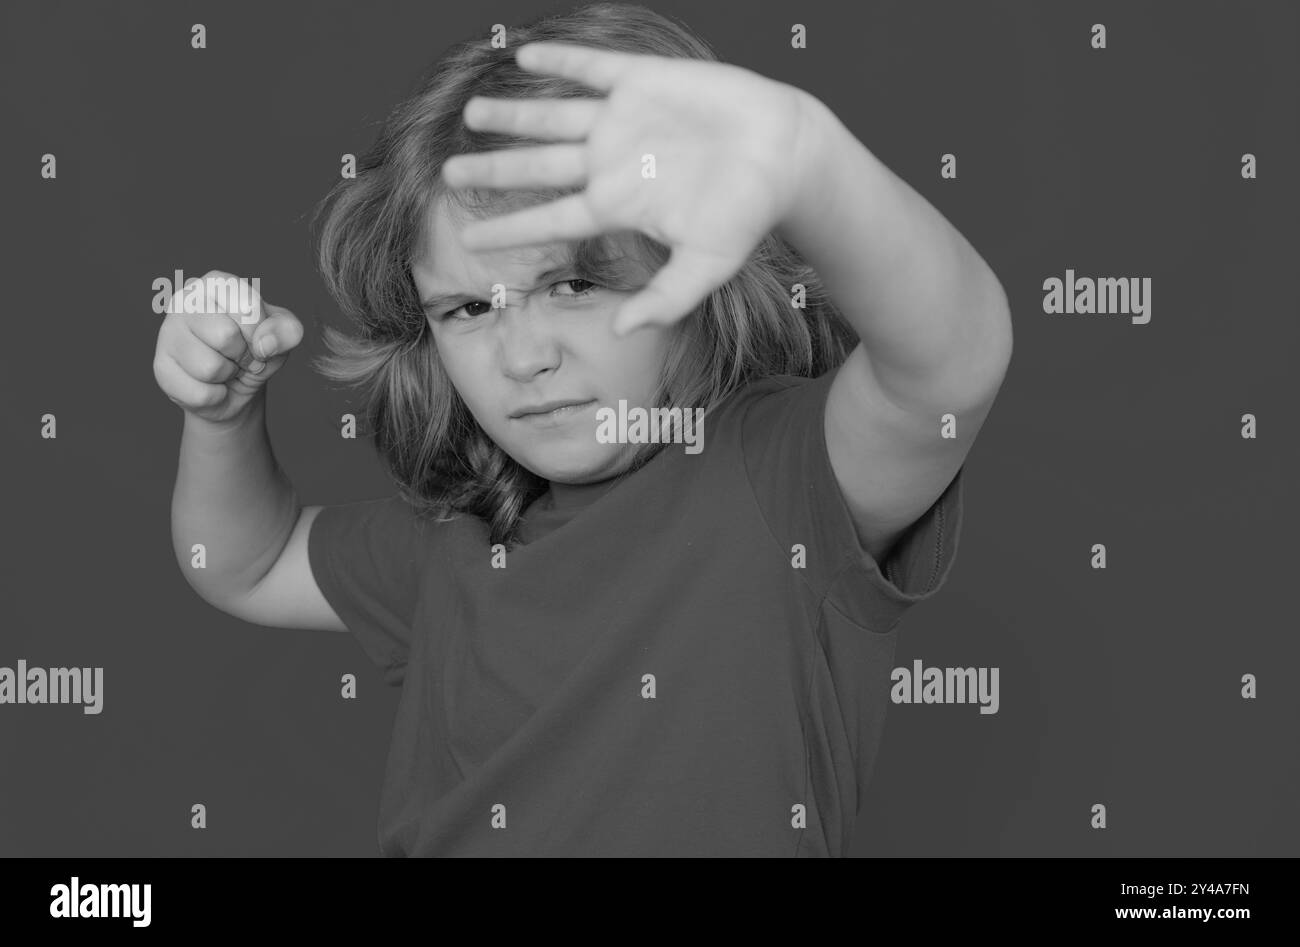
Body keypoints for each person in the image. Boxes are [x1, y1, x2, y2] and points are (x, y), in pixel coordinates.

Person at [154, 1, 1011, 856]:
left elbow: (952, 362)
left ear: (708, 268)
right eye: (467, 307)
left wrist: (809, 165)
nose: (523, 355)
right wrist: (221, 416)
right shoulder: (456, 541)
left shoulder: (784, 479)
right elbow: (244, 563)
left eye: (574, 285)